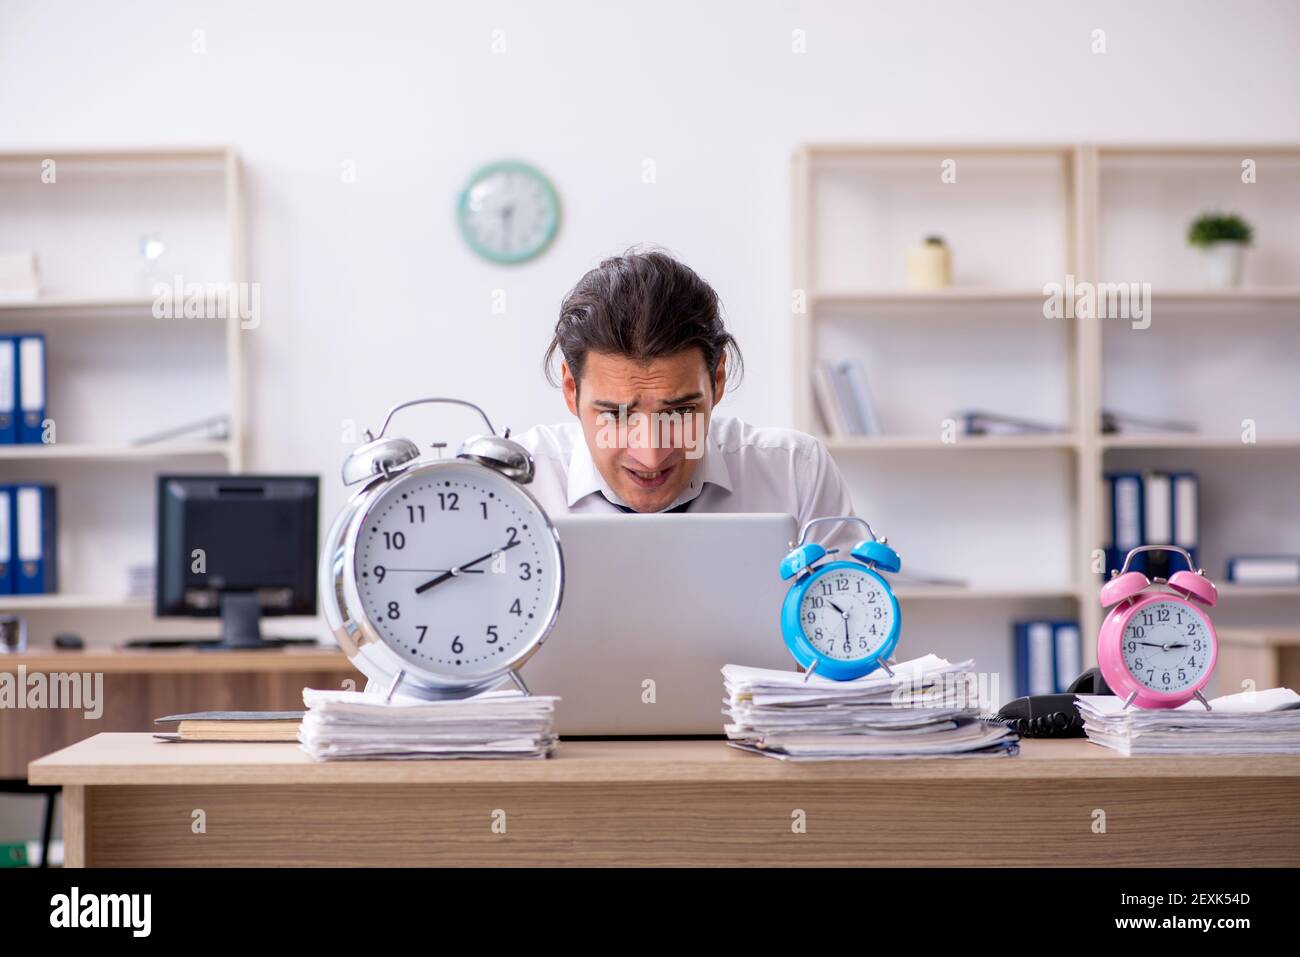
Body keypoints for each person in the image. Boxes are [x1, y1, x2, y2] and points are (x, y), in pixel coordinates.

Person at [515, 248, 860, 552]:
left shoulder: (795, 471)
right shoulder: (513, 487)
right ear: (571, 391)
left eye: (680, 412)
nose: (650, 457)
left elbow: (853, 619)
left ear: (718, 380)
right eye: (617, 415)